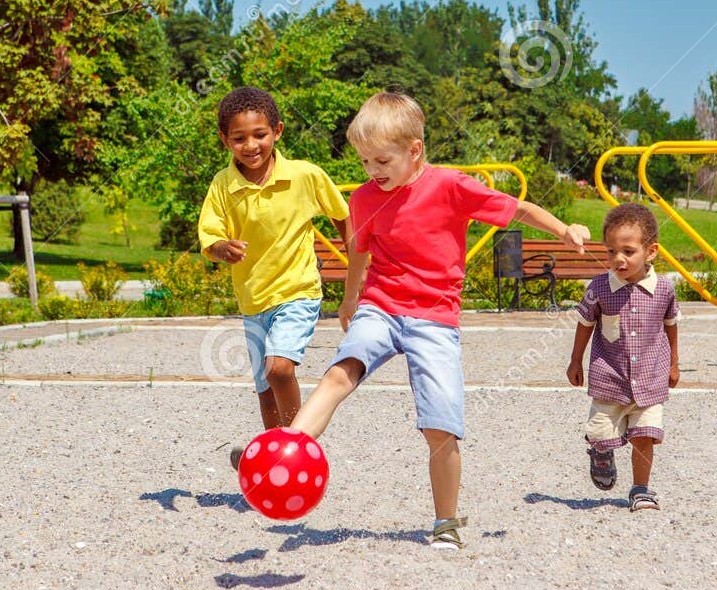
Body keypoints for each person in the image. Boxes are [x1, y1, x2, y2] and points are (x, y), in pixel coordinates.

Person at [287, 91, 591, 549]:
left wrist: (566, 230)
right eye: (365, 161)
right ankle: (287, 451)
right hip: (381, 306)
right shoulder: (367, 199)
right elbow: (358, 251)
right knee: (338, 373)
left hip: (434, 318)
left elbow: (518, 209)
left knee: (440, 425)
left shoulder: (451, 186)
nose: (372, 171)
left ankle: (445, 522)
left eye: (381, 160)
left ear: (414, 150)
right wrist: (350, 300)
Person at [198, 87, 349, 466]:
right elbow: (209, 235)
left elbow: (344, 216)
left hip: (298, 290)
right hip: (253, 300)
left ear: (277, 131)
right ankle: (273, 457)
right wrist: (221, 248)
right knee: (265, 389)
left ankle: (299, 446)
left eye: (260, 134)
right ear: (224, 139)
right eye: (239, 138)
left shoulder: (304, 175)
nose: (251, 145)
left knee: (279, 369)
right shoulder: (223, 185)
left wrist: (358, 266)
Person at [566, 201, 680, 511]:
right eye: (611, 252)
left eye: (628, 252)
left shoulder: (665, 290)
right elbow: (585, 323)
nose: (618, 259)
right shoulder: (600, 287)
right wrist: (576, 360)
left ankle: (641, 489)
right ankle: (601, 452)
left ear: (650, 251)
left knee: (645, 436)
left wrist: (673, 363)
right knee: (601, 434)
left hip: (650, 379)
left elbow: (670, 327)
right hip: (609, 379)